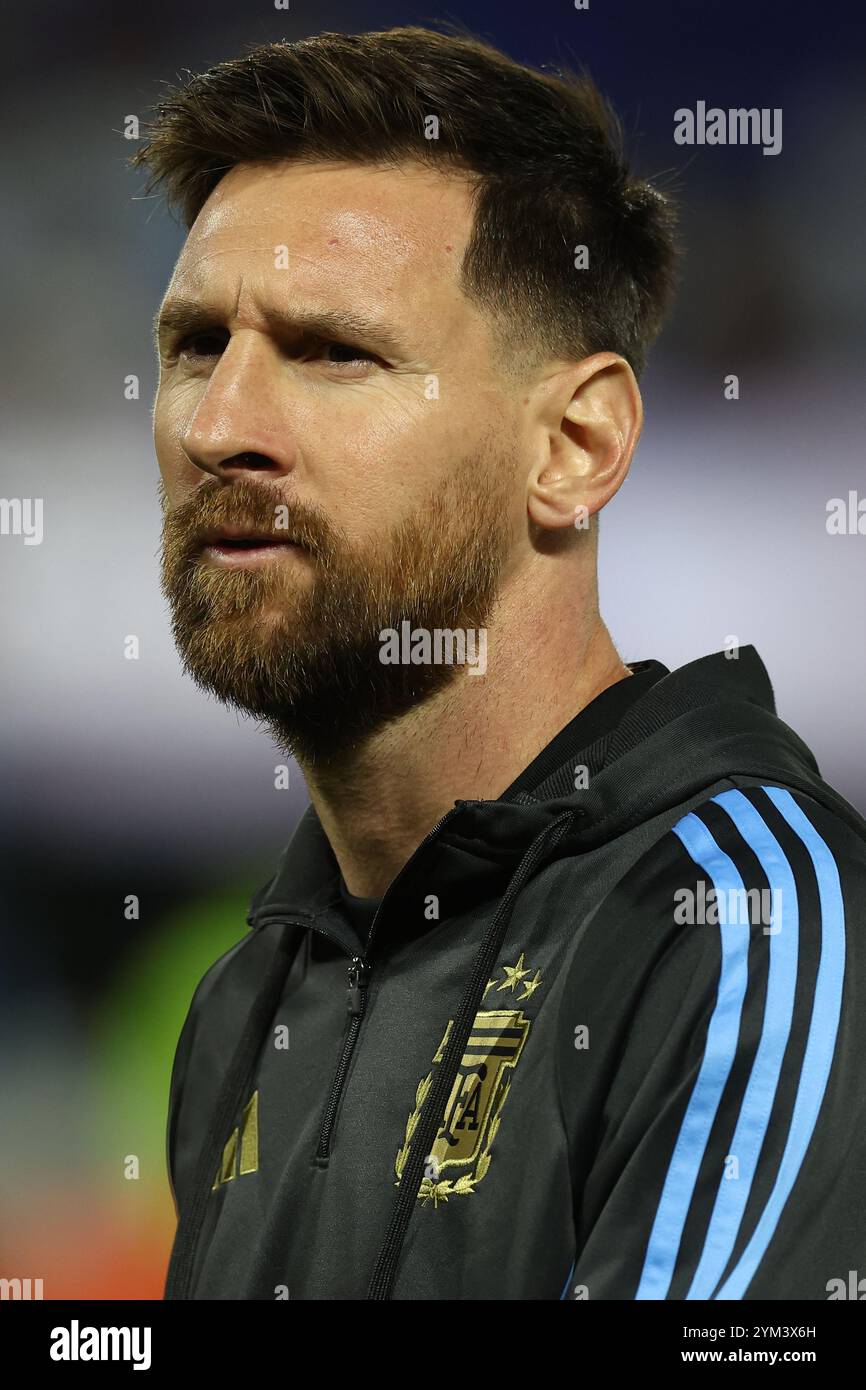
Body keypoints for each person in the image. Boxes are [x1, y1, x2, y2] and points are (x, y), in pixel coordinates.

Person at [132, 26, 866, 1300]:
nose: (218, 427)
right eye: (198, 346)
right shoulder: (250, 998)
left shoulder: (739, 925)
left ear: (575, 445)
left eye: (331, 353)